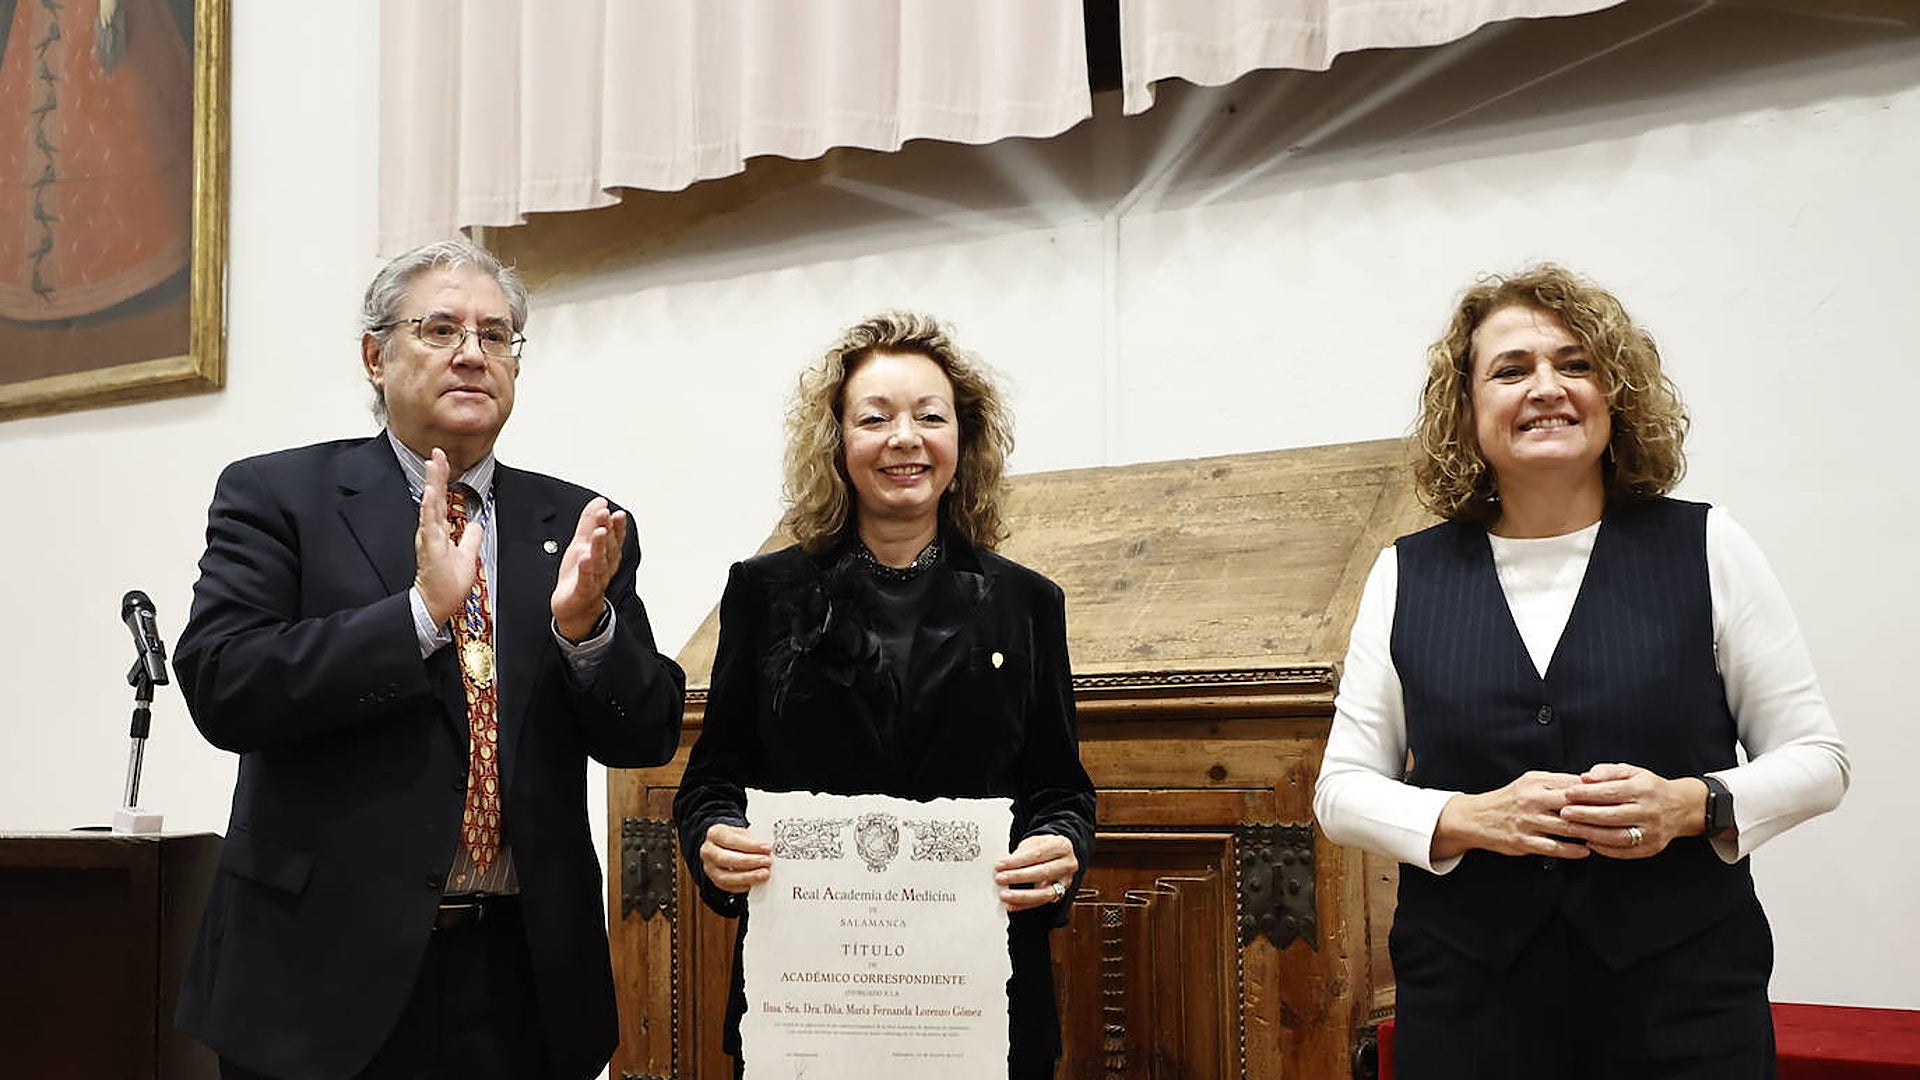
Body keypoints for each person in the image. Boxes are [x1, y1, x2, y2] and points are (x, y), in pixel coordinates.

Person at [1314, 265, 1849, 1079]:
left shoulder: (1710, 546)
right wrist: (1469, 817)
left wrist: (1691, 804)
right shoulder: (1403, 573)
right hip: (1469, 1002)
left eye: (1575, 363)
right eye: (1511, 369)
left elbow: (1819, 760)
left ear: (1615, 393)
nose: (1546, 387)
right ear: (1467, 409)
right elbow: (1342, 791)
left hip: (1684, 1001)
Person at [172, 238, 686, 1080]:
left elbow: (649, 732)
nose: (473, 354)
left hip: (522, 979)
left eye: (496, 335)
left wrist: (587, 630)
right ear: (376, 356)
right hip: (319, 978)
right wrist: (417, 617)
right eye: (440, 329)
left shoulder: (579, 523)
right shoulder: (280, 497)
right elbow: (226, 684)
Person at [673, 312, 1096, 1079]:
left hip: (977, 1005)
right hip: (807, 1007)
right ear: (837, 441)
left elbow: (1060, 787)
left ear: (962, 439)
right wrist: (714, 838)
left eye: (930, 416)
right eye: (876, 418)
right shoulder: (764, 592)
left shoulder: (1027, 603)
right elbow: (712, 778)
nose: (905, 438)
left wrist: (1061, 845)